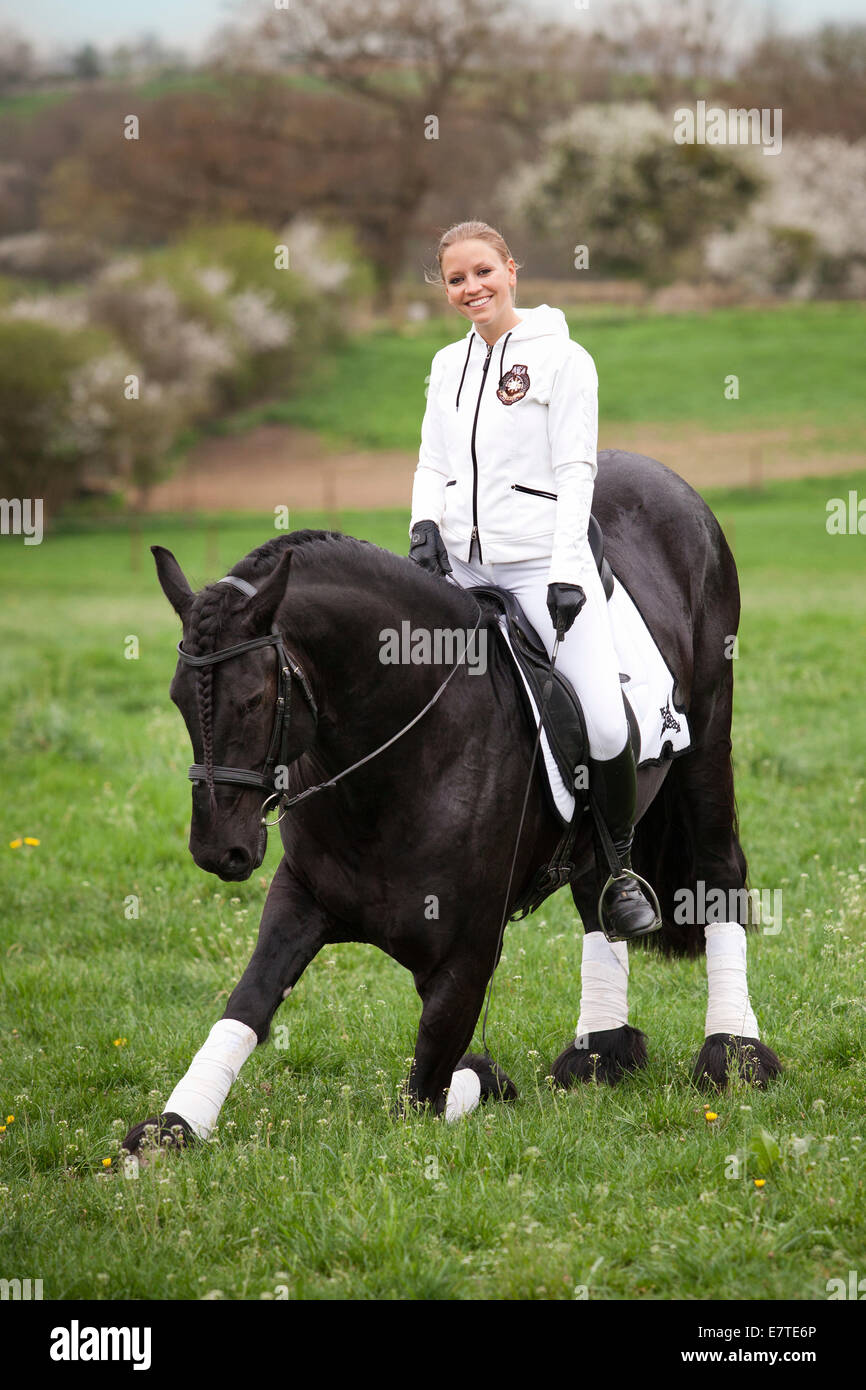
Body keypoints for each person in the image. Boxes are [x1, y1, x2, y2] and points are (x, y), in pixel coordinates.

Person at [407, 220, 659, 942]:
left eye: (483, 271)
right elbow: (432, 463)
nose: (471, 288)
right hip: (464, 568)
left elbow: (577, 469)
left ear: (511, 269)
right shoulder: (447, 366)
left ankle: (618, 871)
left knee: (606, 723)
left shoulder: (565, 360)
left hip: (544, 569)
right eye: (456, 279)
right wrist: (425, 526)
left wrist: (565, 570)